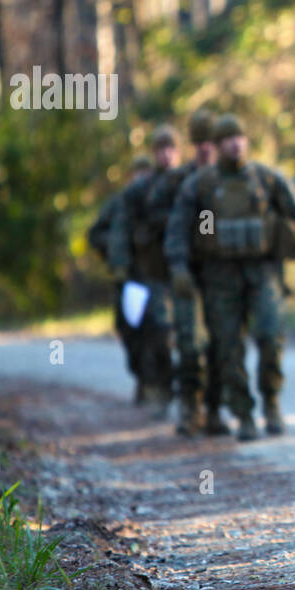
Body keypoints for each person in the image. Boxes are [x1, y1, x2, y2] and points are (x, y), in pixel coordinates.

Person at [165, 113, 295, 441]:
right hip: (219, 276)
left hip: (262, 271)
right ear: (218, 146)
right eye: (228, 140)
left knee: (270, 336)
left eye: (240, 137)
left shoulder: (266, 179)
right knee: (227, 347)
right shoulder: (201, 185)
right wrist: (179, 268)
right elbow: (177, 229)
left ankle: (272, 400)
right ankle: (244, 414)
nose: (236, 144)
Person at [147, 110, 225, 436]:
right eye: (199, 142)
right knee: (190, 344)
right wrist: (178, 265)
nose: (205, 148)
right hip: (187, 274)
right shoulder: (177, 182)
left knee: (223, 345)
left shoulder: (233, 179)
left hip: (223, 276)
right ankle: (190, 407)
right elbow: (159, 222)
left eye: (211, 141)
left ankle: (215, 409)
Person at [109, 125, 180, 418]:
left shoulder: (189, 181)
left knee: (194, 340)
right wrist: (121, 266)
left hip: (187, 271)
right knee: (157, 335)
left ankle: (198, 401)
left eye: (171, 148)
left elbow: (207, 221)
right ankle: (160, 389)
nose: (166, 154)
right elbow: (119, 229)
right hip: (152, 275)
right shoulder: (139, 192)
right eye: (160, 149)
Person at [89, 155, 154, 402]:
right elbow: (95, 234)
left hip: (154, 275)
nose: (142, 178)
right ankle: (141, 377)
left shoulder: (158, 200)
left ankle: (154, 383)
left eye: (146, 173)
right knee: (130, 333)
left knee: (156, 332)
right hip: (127, 278)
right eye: (138, 173)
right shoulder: (119, 203)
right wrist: (118, 247)